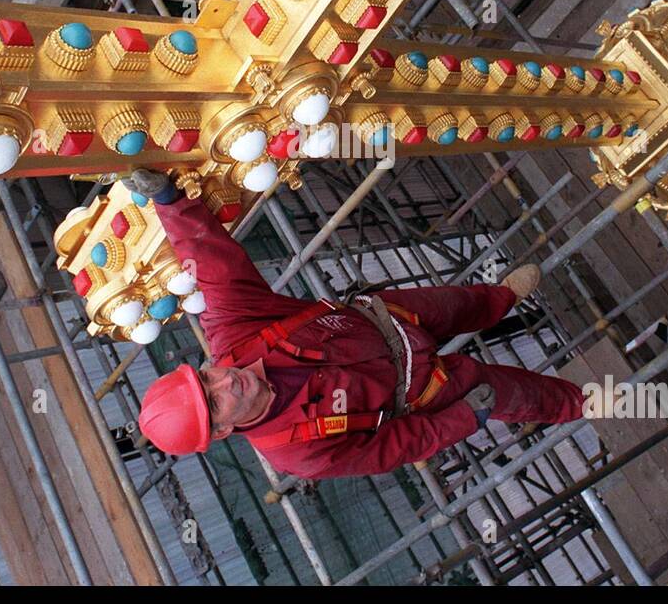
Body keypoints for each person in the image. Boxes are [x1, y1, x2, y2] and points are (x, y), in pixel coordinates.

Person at [127, 169, 589, 479]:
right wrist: (463, 419)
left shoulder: (236, 338)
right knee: (498, 389)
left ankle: (502, 298)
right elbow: (392, 447)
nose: (225, 379)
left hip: (387, 320)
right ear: (224, 431)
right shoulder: (297, 452)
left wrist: (168, 202)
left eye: (205, 376)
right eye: (214, 400)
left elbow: (213, 265)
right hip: (420, 386)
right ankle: (580, 402)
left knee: (462, 304)